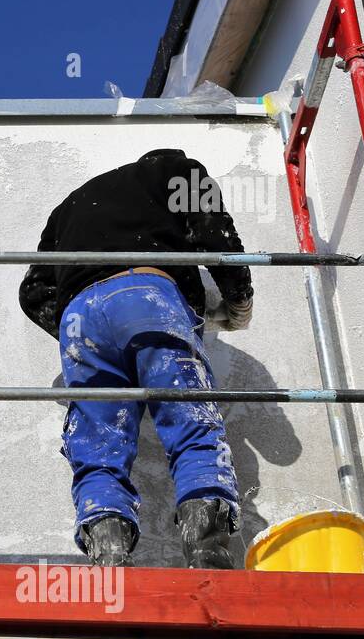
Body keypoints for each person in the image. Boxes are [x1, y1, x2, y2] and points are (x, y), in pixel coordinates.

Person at [19, 149, 254, 569]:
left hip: (79, 315)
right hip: (145, 294)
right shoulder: (170, 168)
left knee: (96, 439)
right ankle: (207, 552)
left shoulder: (67, 209)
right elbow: (215, 234)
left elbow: (33, 292)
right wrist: (238, 301)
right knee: (190, 419)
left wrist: (81, 339)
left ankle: (108, 550)